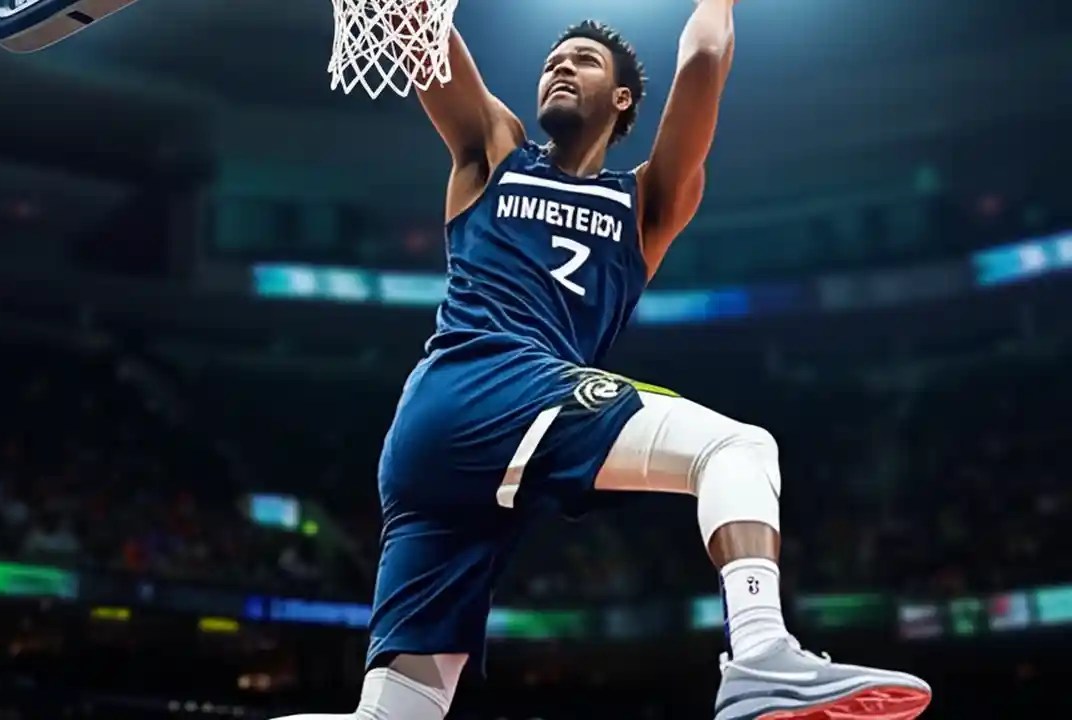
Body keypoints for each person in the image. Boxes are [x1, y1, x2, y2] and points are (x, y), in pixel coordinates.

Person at [277, 2, 932, 719]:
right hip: (481, 383)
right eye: (553, 60)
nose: (561, 65)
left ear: (623, 100)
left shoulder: (646, 201)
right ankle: (760, 651)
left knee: (395, 716)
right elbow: (412, 26)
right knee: (737, 447)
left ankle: (764, 663)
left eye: (583, 61)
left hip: (466, 447)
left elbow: (705, 59)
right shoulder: (494, 148)